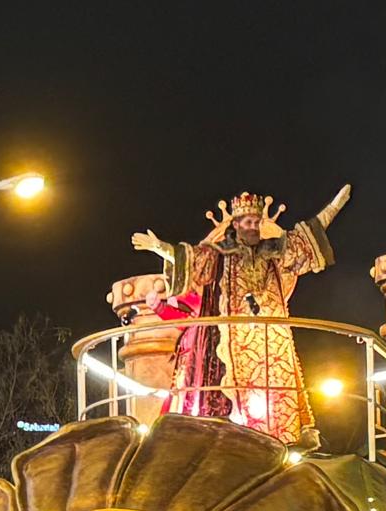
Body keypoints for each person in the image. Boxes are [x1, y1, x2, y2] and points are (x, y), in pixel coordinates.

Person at [132, 184, 352, 448]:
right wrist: (160, 247)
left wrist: (334, 207)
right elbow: (192, 258)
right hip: (230, 341)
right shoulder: (220, 254)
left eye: (257, 221)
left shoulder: (274, 252)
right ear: (236, 224)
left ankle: (280, 437)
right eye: (248, 221)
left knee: (275, 395)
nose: (254, 227)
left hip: (270, 340)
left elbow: (303, 240)